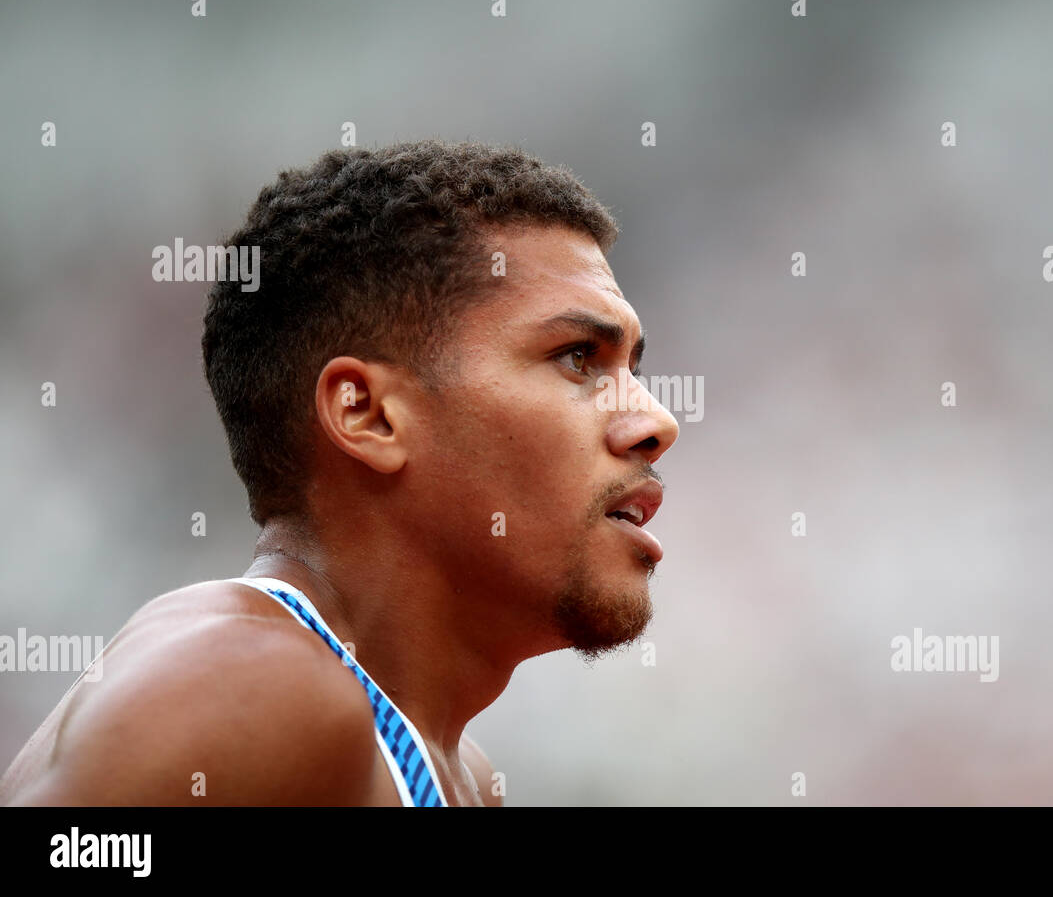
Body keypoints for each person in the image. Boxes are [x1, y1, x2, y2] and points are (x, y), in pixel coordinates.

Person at [0, 140, 679, 806]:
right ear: (369, 414)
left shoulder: (461, 775)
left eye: (633, 370)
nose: (656, 420)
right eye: (578, 357)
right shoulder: (249, 686)